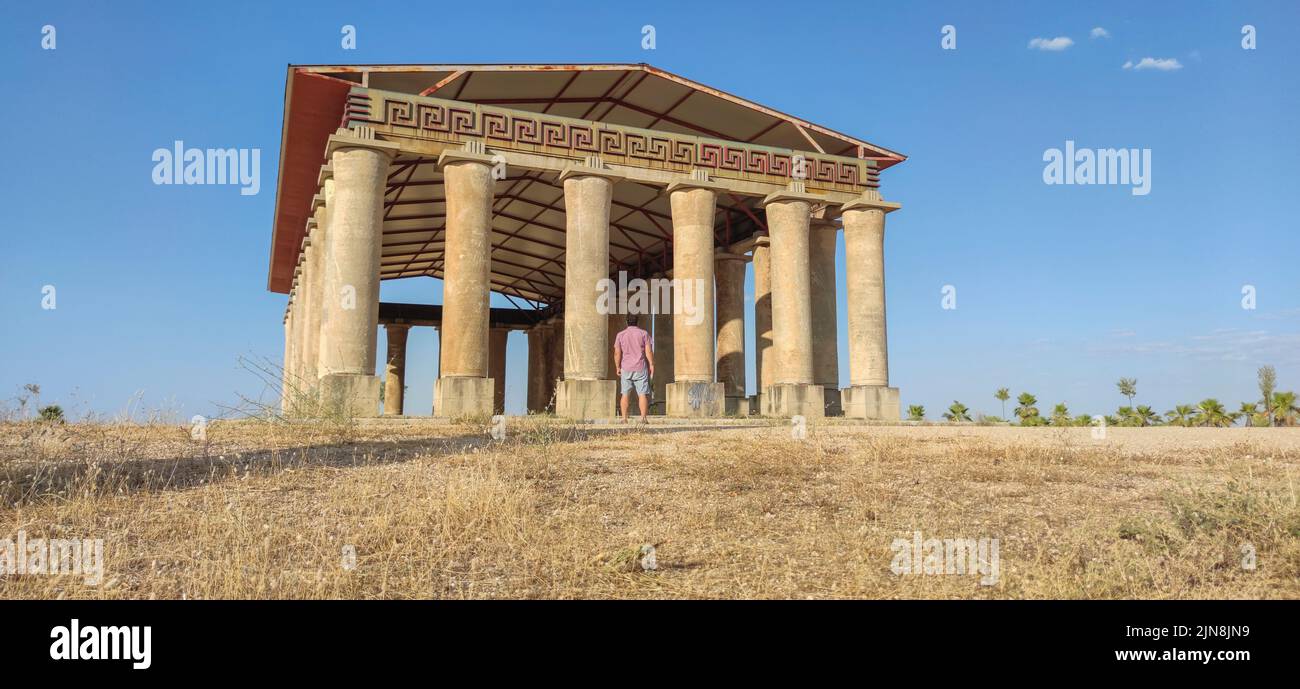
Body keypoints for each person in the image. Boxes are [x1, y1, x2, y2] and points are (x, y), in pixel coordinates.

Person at [613, 314, 654, 423]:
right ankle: (643, 418)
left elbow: (617, 353)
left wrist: (617, 367)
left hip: (626, 368)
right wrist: (651, 364)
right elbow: (648, 351)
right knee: (642, 394)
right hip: (640, 367)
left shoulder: (620, 335)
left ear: (627, 322)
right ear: (637, 322)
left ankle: (624, 418)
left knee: (625, 394)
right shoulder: (643, 333)